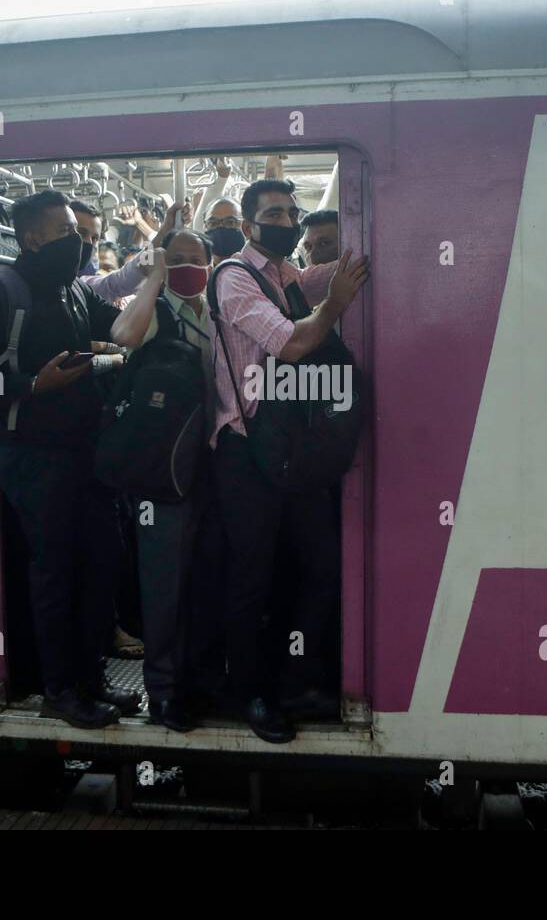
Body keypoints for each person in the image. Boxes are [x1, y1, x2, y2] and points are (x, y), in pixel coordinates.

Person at [0, 190, 141, 729]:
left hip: (86, 452)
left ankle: (92, 677)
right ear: (31, 238)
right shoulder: (1, 294)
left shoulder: (73, 290)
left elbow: (120, 328)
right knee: (57, 573)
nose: (75, 241)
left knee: (101, 563)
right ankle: (59, 689)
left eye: (77, 232)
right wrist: (34, 384)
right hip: (33, 457)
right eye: (64, 231)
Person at [210, 178, 368, 743]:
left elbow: (338, 269)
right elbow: (290, 343)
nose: (286, 219)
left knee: (321, 567)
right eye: (273, 212)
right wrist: (336, 304)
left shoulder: (287, 275)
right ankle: (251, 693)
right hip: (245, 451)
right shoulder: (233, 279)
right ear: (248, 225)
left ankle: (298, 678)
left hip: (290, 452)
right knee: (253, 578)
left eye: (291, 211)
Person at [110, 229, 226, 731]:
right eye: (175, 260)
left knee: (205, 580)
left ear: (210, 261)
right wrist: (153, 280)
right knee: (164, 587)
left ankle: (200, 684)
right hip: (163, 472)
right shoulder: (157, 311)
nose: (186, 268)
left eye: (193, 259)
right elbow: (123, 337)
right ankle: (163, 692)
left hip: (216, 464)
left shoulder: (221, 306)